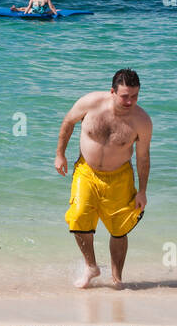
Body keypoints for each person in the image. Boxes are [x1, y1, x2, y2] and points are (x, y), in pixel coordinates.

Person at [55, 68, 152, 289]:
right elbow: (68, 122)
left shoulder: (142, 121)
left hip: (119, 176)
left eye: (135, 96)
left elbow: (143, 156)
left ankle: (117, 278)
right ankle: (91, 266)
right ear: (112, 91)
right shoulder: (89, 103)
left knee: (119, 229)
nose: (130, 101)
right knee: (78, 217)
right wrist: (60, 154)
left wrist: (143, 190)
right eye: (125, 96)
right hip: (86, 171)